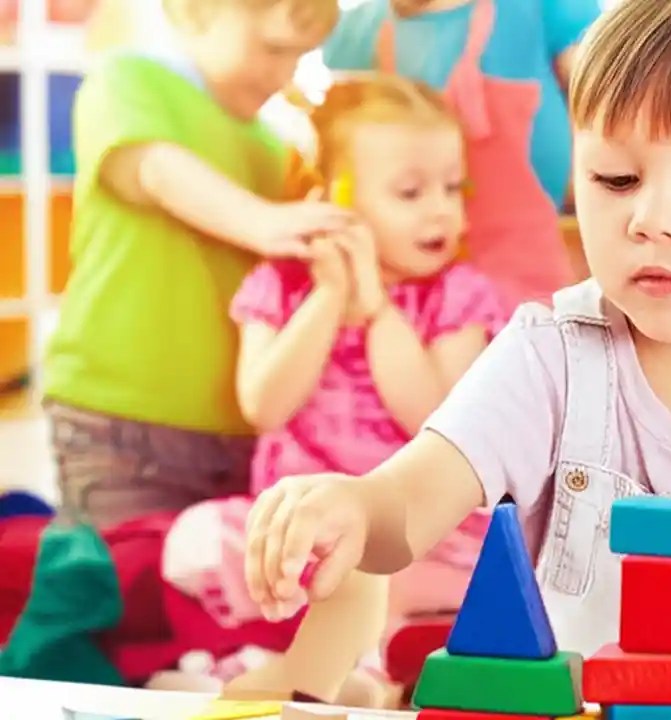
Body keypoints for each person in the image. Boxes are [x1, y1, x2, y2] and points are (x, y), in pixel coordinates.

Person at [244, 1, 671, 718]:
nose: (651, 218)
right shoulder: (550, 349)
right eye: (615, 179)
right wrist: (356, 506)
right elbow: (415, 496)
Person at [221, 73, 510, 701]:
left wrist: (377, 309)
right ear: (337, 197)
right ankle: (287, 662)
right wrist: (331, 295)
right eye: (410, 191)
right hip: (304, 527)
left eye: (452, 187)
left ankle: (368, 673)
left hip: (411, 534)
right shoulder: (281, 288)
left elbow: (435, 414)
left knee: (392, 583)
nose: (441, 208)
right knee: (197, 545)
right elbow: (264, 406)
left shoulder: (458, 297)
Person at [40, 0, 348, 528]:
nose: (284, 75)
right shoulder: (129, 79)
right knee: (118, 586)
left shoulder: (273, 149)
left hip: (236, 439)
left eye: (298, 57)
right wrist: (263, 220)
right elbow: (156, 170)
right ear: (193, 11)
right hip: (119, 424)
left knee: (199, 601)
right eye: (273, 49)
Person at [320, 0, 602, 306]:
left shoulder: (537, 8)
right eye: (409, 191)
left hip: (527, 276)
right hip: (409, 297)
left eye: (455, 187)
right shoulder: (353, 38)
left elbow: (614, 114)